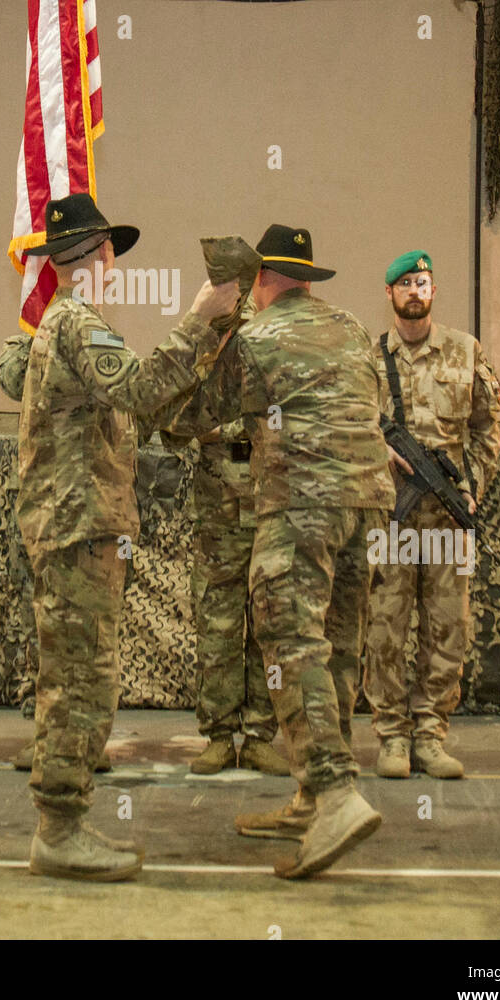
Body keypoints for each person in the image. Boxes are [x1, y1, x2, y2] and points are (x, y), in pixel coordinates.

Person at [16, 192, 238, 881]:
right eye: (114, 254)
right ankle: (58, 828)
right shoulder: (80, 325)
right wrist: (200, 320)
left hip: (81, 525)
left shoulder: (68, 323)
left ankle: (65, 820)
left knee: (80, 676)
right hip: (78, 526)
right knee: (80, 681)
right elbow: (140, 390)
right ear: (103, 254)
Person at [195, 225, 394, 878]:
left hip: (300, 501)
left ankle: (334, 790)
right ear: (307, 279)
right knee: (337, 642)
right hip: (364, 502)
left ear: (258, 280)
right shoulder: (353, 329)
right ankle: (312, 798)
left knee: (288, 635)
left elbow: (198, 412)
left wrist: (206, 327)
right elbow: (373, 410)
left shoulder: (257, 336)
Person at [364, 250, 500, 780]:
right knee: (384, 628)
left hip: (446, 518)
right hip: (391, 518)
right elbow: (352, 427)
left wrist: (472, 490)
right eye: (405, 284)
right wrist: (384, 457)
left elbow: (487, 430)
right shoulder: (370, 359)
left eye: (423, 282)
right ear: (390, 294)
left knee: (449, 627)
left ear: (434, 290)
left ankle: (429, 734)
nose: (415, 291)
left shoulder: (466, 352)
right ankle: (392, 738)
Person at [161, 301, 289, 778]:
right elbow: (173, 424)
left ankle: (260, 736)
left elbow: (282, 421)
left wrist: (222, 428)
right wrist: (223, 428)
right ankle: (217, 736)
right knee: (216, 627)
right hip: (217, 518)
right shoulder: (203, 361)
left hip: (271, 509)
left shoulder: (277, 359)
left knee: (268, 628)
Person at [0, 331, 110, 776]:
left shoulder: (99, 337)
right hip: (39, 503)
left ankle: (84, 738)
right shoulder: (26, 339)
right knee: (41, 625)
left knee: (88, 630)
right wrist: (34, 335)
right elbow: (10, 379)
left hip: (85, 502)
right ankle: (46, 734)